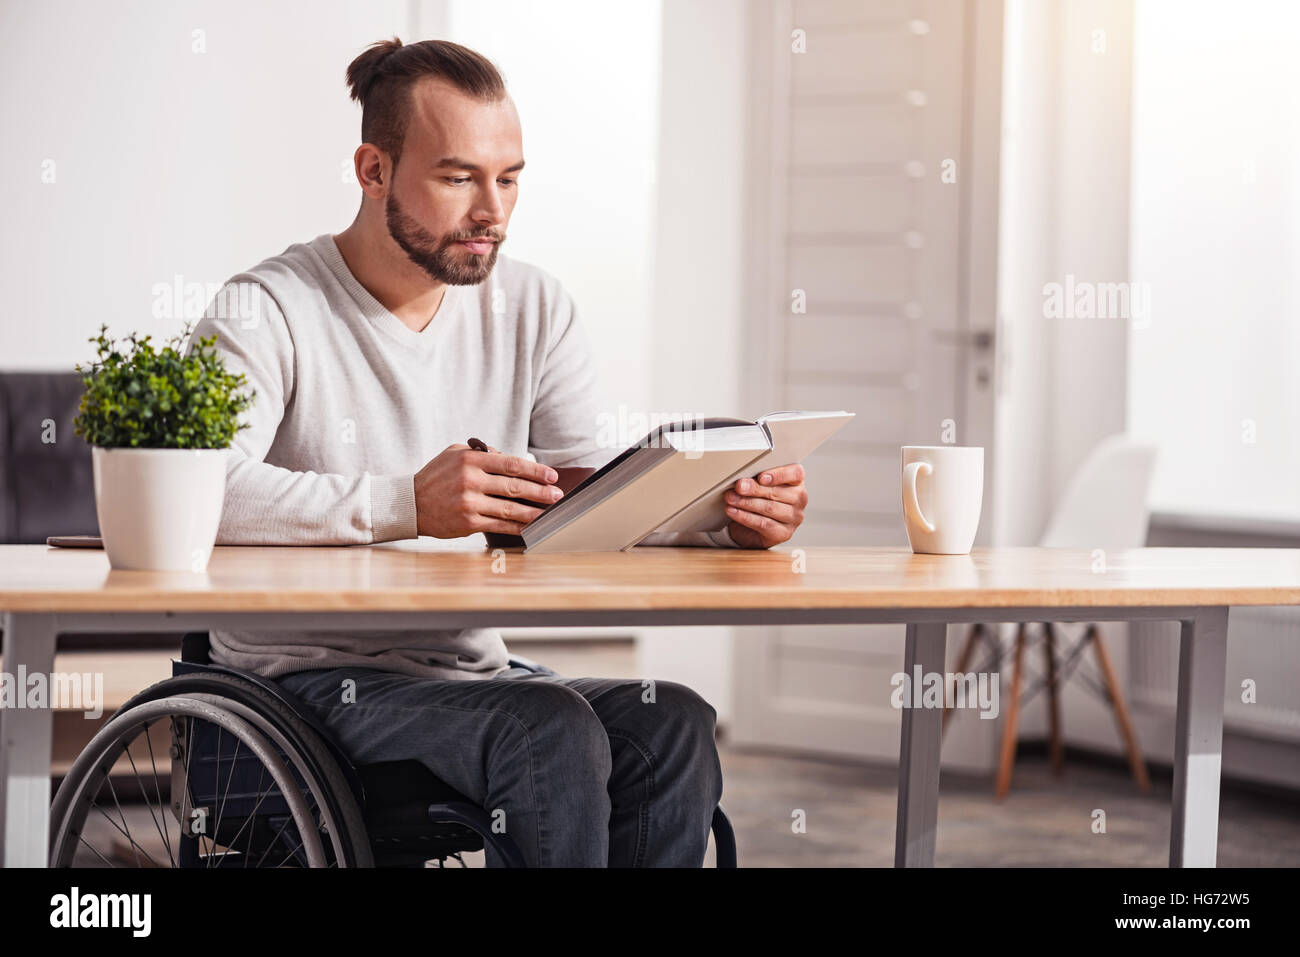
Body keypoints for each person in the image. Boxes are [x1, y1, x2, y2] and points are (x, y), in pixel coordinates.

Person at [189, 36, 808, 867]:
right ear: (373, 169)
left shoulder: (534, 307)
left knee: (674, 721)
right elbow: (199, 490)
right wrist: (408, 503)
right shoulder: (266, 310)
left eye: (509, 178)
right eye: (458, 177)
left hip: (472, 675)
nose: (494, 211)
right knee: (545, 728)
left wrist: (722, 517)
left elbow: (588, 501)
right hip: (298, 688)